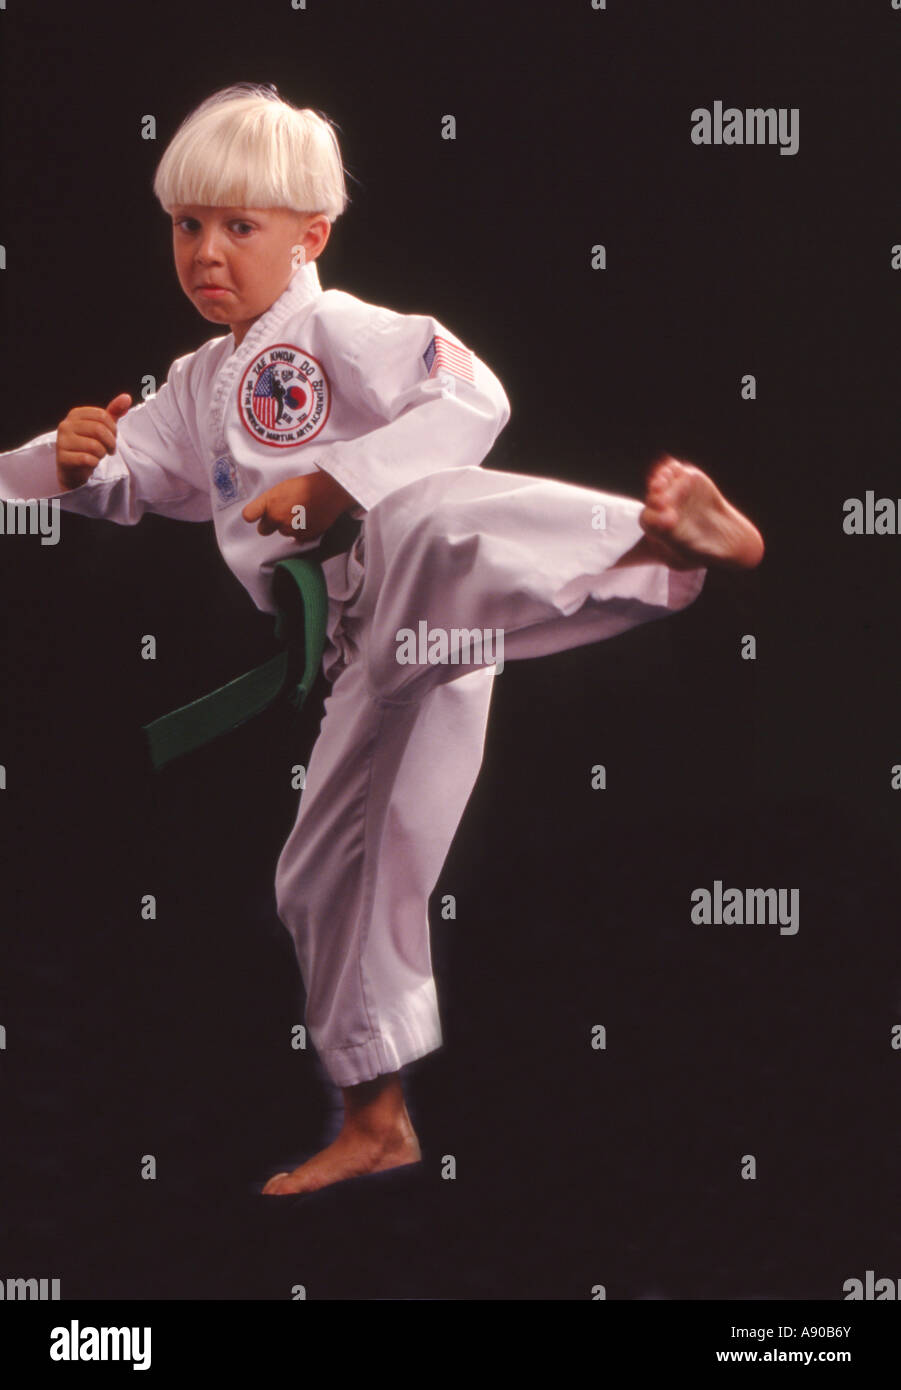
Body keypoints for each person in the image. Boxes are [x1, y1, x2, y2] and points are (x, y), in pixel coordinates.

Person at [0, 83, 764, 1197]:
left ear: (310, 236)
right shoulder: (196, 386)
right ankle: (379, 1117)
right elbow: (123, 483)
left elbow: (473, 397)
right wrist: (60, 464)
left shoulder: (333, 328)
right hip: (372, 649)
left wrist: (335, 483)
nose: (207, 252)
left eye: (239, 226)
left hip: (409, 580)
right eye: (187, 225)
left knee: (432, 516)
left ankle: (675, 547)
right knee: (321, 875)